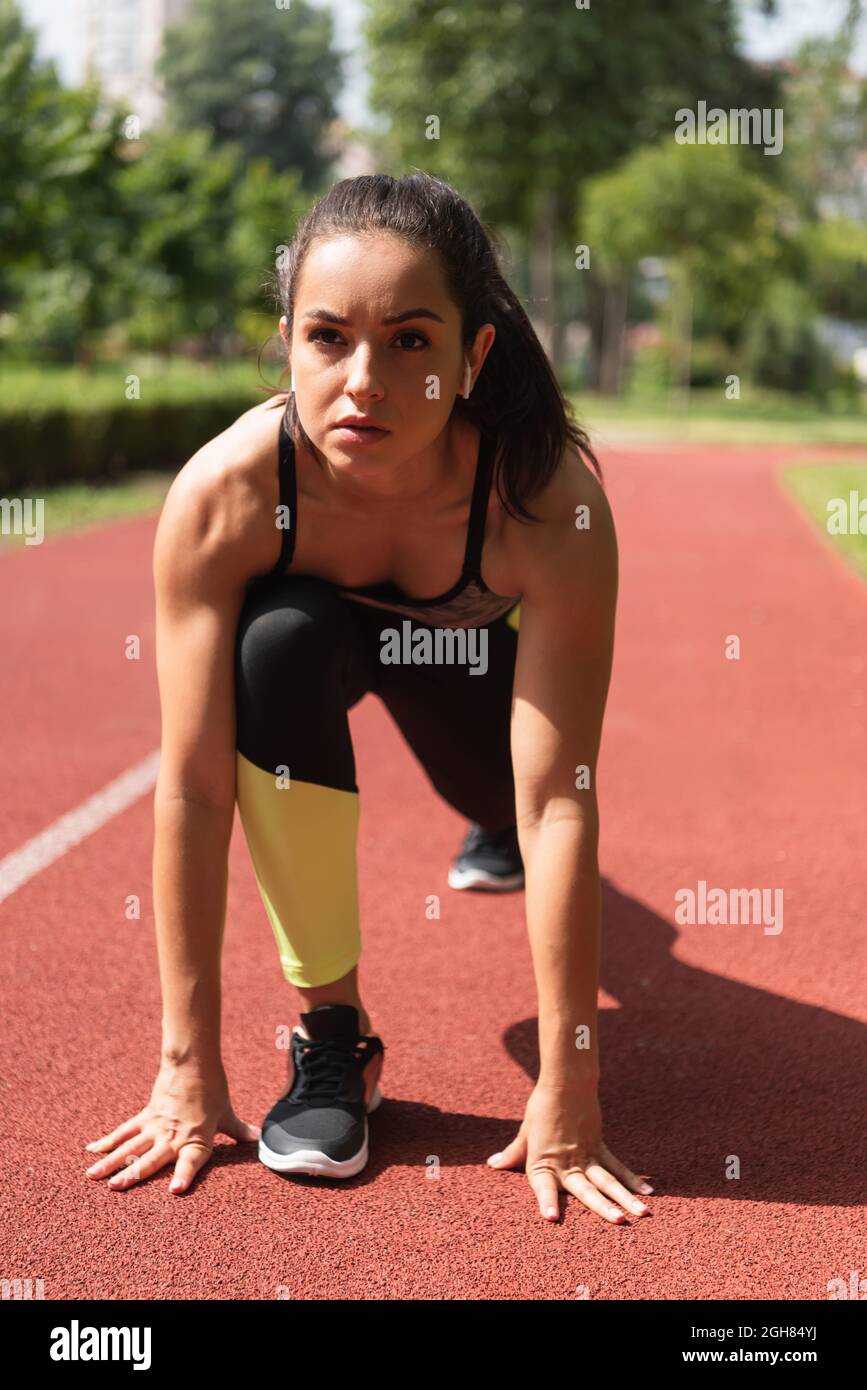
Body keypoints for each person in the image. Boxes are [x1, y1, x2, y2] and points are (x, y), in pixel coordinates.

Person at [84, 172, 653, 1225]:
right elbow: (197, 789)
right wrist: (183, 1063)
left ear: (472, 356)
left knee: (517, 816)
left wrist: (571, 1080)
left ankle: (482, 830)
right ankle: (334, 1037)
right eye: (329, 337)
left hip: (475, 689)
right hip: (318, 660)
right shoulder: (229, 494)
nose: (363, 382)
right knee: (278, 642)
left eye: (409, 342)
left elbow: (560, 798)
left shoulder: (545, 498)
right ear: (288, 338)